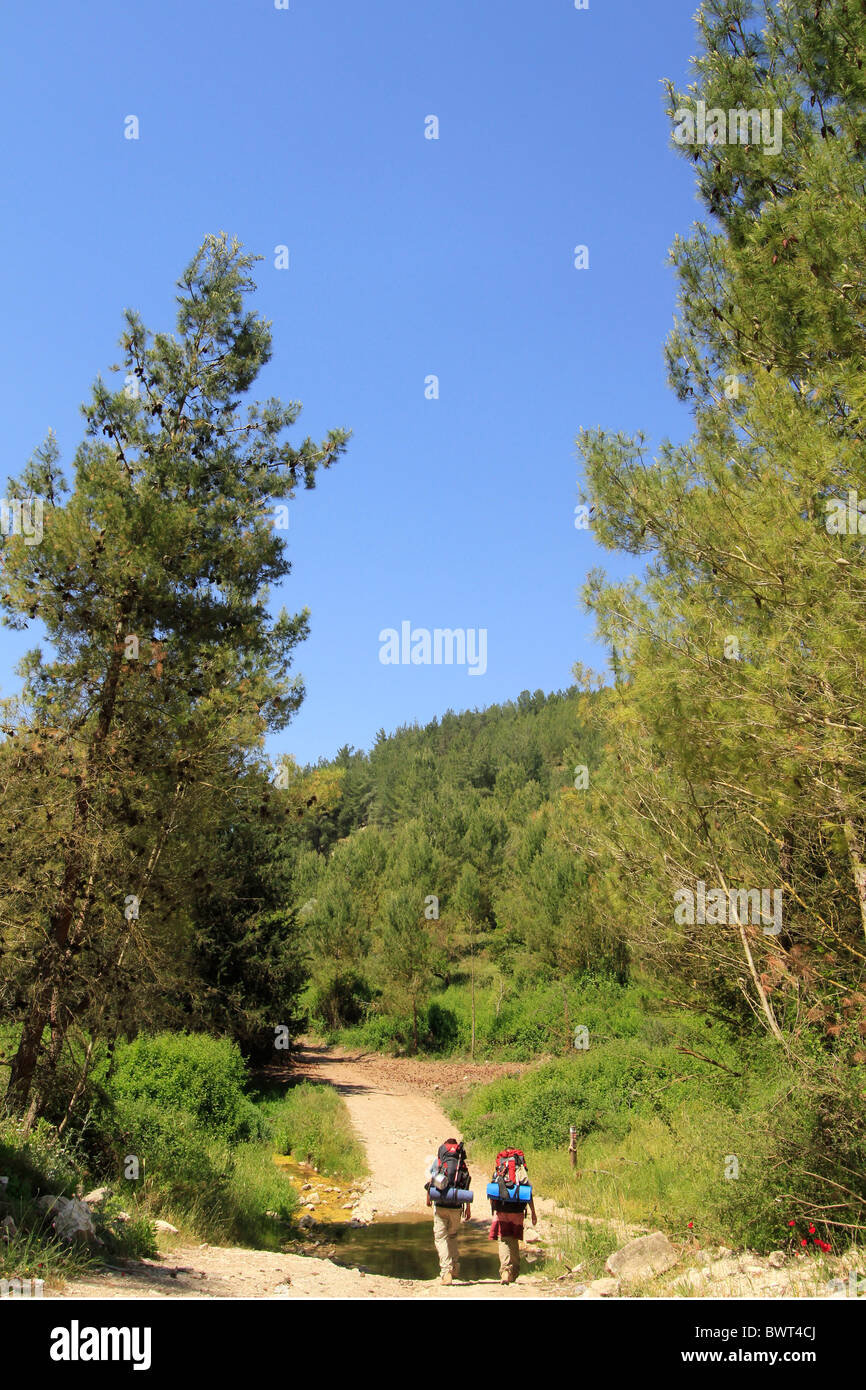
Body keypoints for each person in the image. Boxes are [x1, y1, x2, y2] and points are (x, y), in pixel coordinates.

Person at [425, 1139, 472, 1286]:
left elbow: (432, 1179)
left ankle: (446, 1273)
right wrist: (468, 1207)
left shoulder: (439, 1162)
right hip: (457, 1206)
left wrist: (428, 1198)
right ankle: (455, 1268)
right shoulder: (461, 1164)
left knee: (440, 1238)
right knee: (452, 1235)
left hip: (440, 1204)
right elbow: (466, 1183)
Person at [489, 1171, 537, 1284]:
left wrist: (494, 1209)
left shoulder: (499, 1170)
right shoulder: (521, 1172)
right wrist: (533, 1213)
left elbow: (493, 1193)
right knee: (514, 1240)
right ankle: (514, 1271)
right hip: (517, 1211)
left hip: (502, 1210)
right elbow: (528, 1193)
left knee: (504, 1240)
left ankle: (505, 1270)